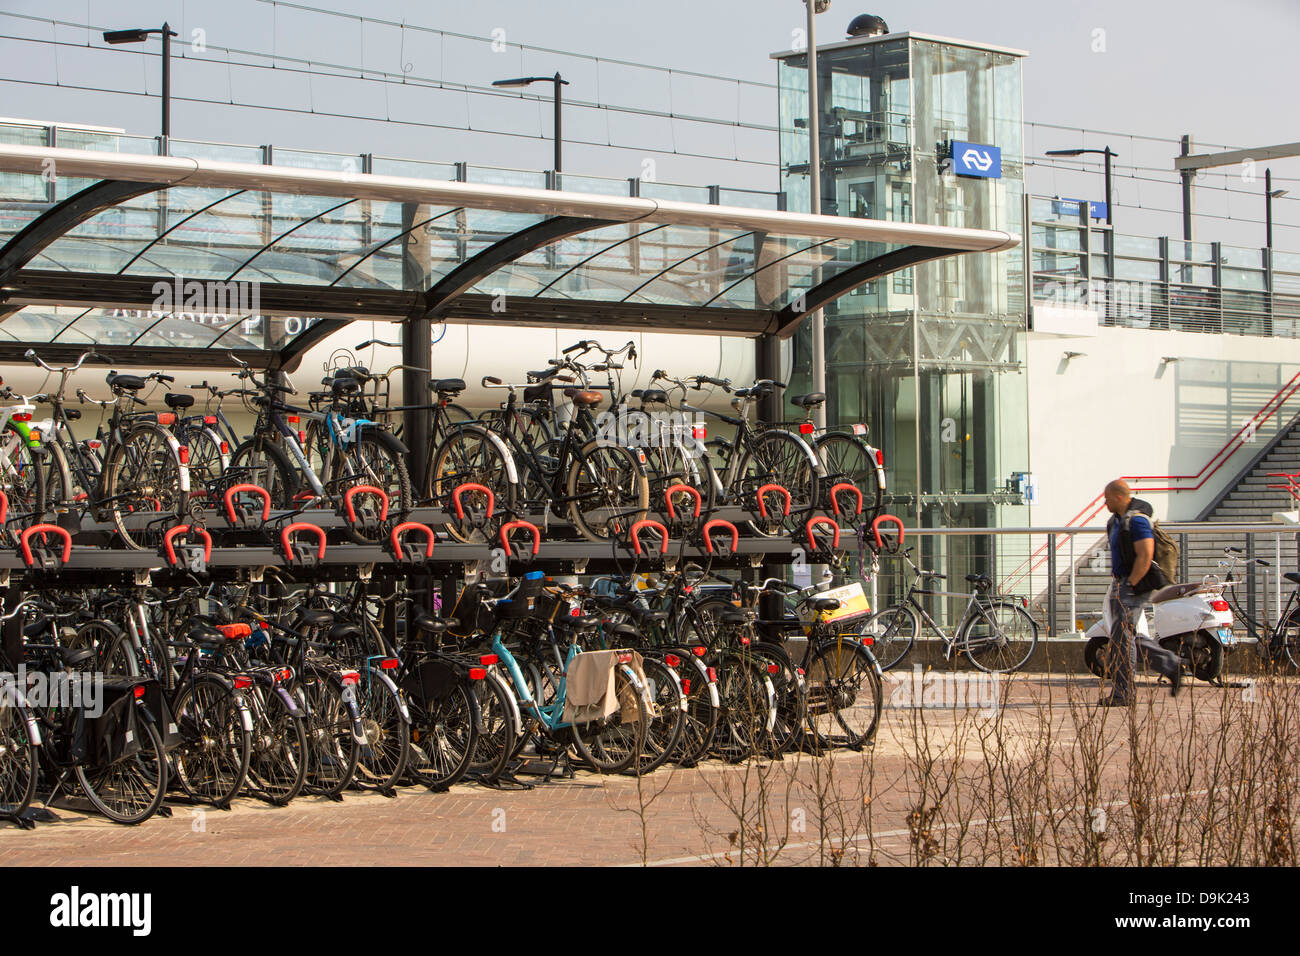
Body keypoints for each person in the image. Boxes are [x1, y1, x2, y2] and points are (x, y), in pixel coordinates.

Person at [1100, 479, 1181, 706]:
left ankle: (1123, 693)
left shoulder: (1137, 521)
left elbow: (1146, 554)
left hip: (1132, 586)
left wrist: (1131, 585)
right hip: (1121, 584)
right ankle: (1169, 664)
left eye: (1106, 498)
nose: (1104, 502)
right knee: (1125, 635)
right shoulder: (1115, 521)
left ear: (1118, 497)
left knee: (1121, 637)